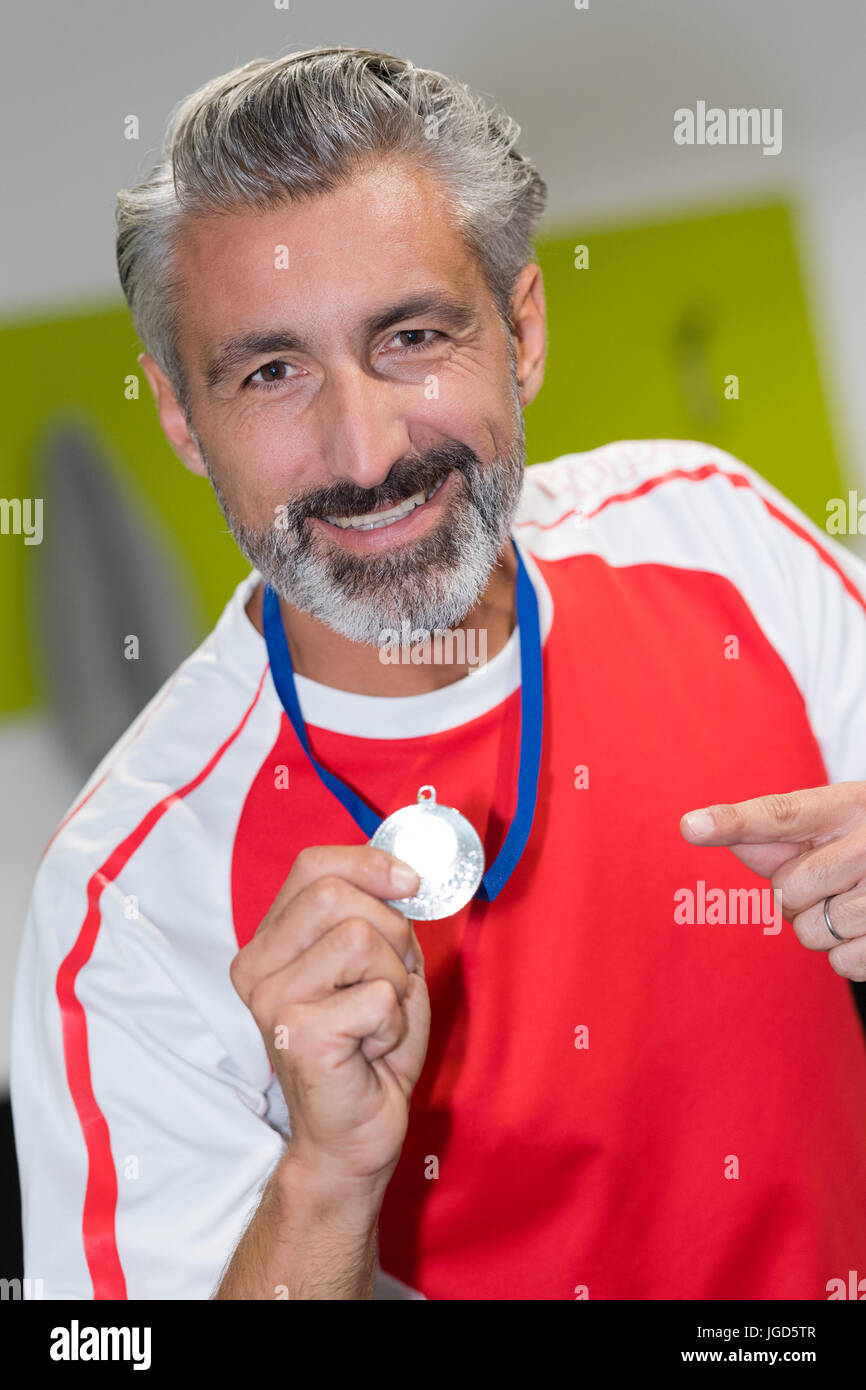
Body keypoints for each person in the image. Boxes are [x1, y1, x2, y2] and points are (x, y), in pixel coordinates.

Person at [11, 45, 866, 1301]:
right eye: (270, 372)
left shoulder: (717, 535)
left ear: (518, 332)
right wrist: (322, 1176)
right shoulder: (125, 903)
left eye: (409, 336)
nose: (363, 452)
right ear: (181, 419)